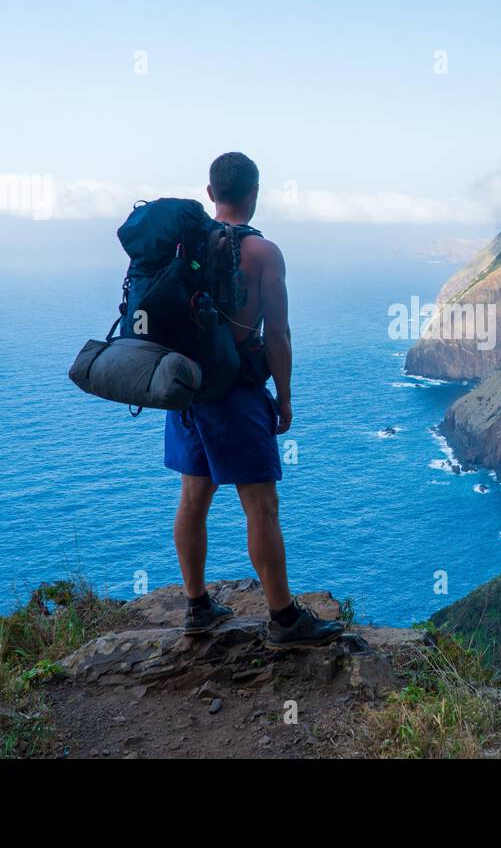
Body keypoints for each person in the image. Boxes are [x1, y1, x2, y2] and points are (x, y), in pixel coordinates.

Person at [163, 151, 344, 647]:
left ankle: (197, 605)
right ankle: (283, 619)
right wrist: (284, 400)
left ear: (210, 193)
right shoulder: (264, 254)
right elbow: (279, 334)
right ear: (255, 193)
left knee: (193, 499)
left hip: (186, 389)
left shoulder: (182, 245)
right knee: (261, 506)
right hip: (238, 393)